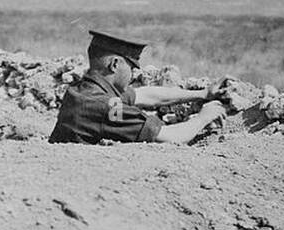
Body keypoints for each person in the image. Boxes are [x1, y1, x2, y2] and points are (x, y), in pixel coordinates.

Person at [48, 29, 230, 145]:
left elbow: (146, 95)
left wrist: (203, 93)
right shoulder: (106, 107)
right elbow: (171, 137)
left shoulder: (86, 90)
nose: (134, 74)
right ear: (115, 64)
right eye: (132, 67)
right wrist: (203, 118)